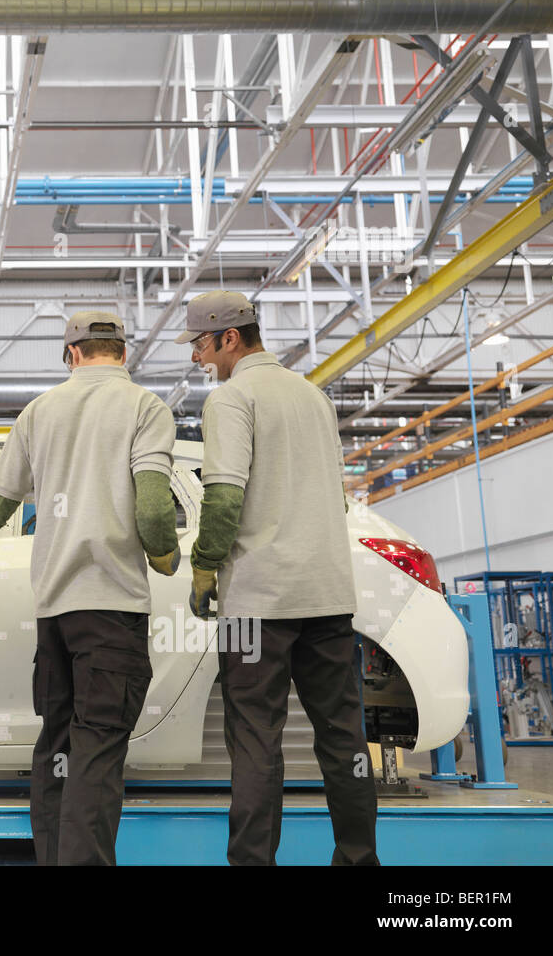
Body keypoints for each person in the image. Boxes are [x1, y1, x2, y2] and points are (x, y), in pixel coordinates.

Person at [0, 311, 179, 865]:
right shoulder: (145, 407)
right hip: (111, 608)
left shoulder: (39, 412)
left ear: (73, 354)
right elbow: (155, 506)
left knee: (57, 743)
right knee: (99, 751)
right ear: (122, 352)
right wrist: (165, 553)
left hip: (56, 614)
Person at [178, 289, 379, 866]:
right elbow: (333, 499)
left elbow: (223, 494)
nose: (197, 357)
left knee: (254, 740)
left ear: (230, 338)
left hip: (255, 607)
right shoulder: (313, 396)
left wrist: (204, 566)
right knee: (343, 739)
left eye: (200, 344)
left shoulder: (232, 398)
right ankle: (360, 860)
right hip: (327, 598)